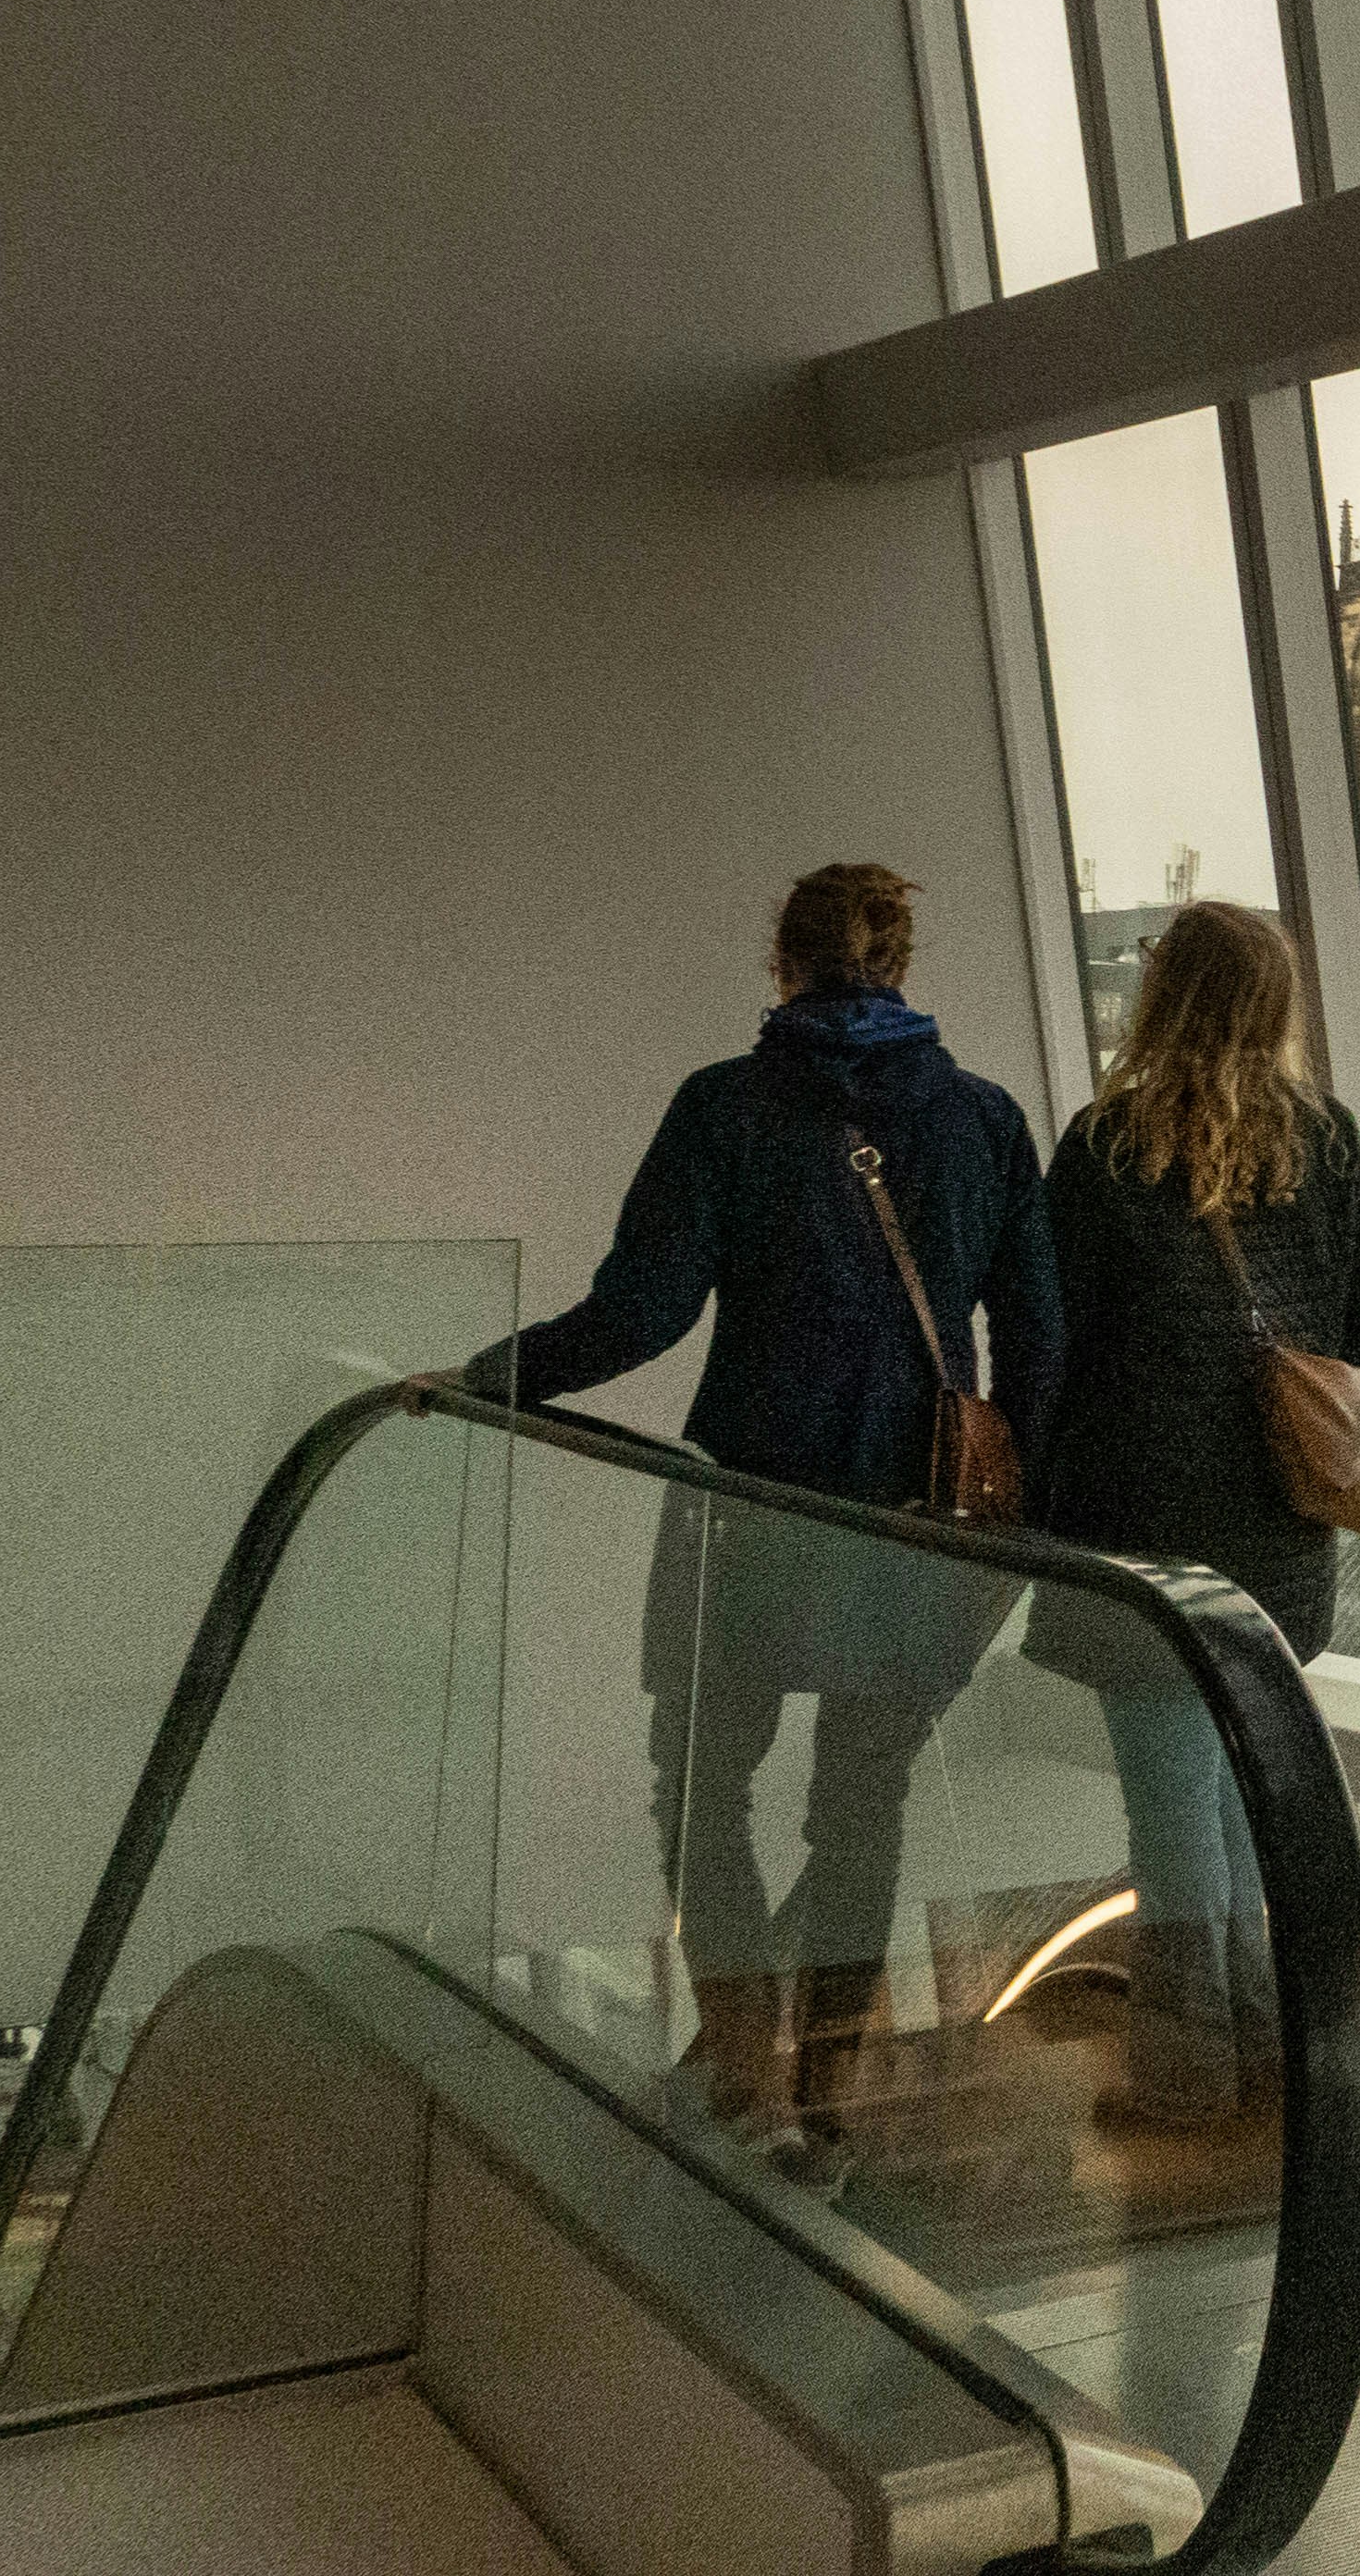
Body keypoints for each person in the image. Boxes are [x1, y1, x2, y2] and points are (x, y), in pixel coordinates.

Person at [469, 862, 1057, 2173]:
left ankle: (742, 2053)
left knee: (697, 1786)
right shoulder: (986, 1124)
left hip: (746, 1507)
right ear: (902, 967)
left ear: (779, 965)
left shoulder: (724, 1111)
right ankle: (832, 2087)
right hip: (910, 1519)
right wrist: (1022, 1527)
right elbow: (1038, 1350)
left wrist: (481, 1380)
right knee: (862, 1804)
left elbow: (643, 1314)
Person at [1040, 902, 1360, 2130]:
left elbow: (1056, 1335)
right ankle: (1273, 2059)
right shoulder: (1323, 1138)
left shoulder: (1106, 1149)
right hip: (1276, 1536)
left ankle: (1188, 2078)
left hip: (1142, 1525)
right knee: (1244, 1801)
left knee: (1172, 1813)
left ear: (1166, 997)